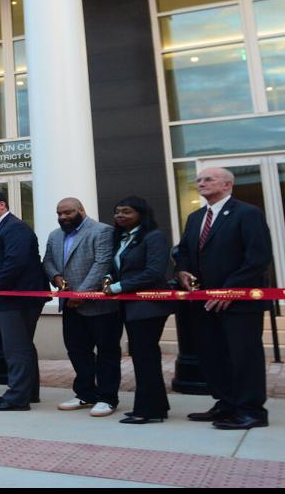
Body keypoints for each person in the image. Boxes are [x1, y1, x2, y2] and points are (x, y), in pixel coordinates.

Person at [174, 167, 273, 430]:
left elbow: (257, 257)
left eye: (209, 179)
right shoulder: (195, 218)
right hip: (205, 303)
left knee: (243, 357)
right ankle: (226, 403)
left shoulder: (247, 214)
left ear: (227, 185)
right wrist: (183, 270)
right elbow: (183, 250)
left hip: (239, 303)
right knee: (213, 356)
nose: (201, 184)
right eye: (198, 180)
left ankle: (251, 411)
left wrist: (230, 289)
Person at [43, 197, 121, 417]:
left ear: (81, 210)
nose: (63, 217)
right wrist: (55, 276)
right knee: (77, 351)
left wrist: (81, 294)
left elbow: (101, 263)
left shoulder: (101, 231)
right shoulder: (55, 235)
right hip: (69, 305)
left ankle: (107, 398)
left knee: (107, 352)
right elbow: (47, 261)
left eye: (67, 212)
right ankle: (85, 394)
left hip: (99, 306)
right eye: (59, 213)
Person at [102, 197, 176, 424]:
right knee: (142, 356)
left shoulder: (154, 237)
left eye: (126, 212)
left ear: (141, 214)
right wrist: (108, 278)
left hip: (149, 307)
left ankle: (147, 411)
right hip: (129, 306)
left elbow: (154, 272)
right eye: (117, 212)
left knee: (145, 357)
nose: (120, 216)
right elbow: (118, 267)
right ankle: (156, 406)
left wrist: (117, 287)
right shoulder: (122, 239)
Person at [0, 190, 45, 411]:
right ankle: (27, 392)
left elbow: (15, 261)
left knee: (16, 348)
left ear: (2, 204)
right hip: (11, 295)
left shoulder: (15, 227)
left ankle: (16, 398)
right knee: (22, 346)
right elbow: (1, 257)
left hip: (17, 296)